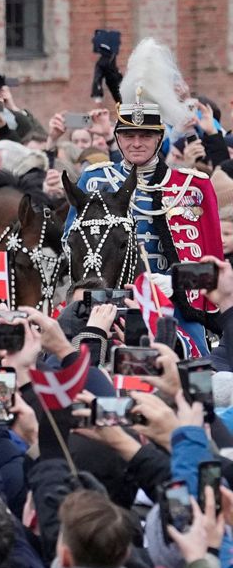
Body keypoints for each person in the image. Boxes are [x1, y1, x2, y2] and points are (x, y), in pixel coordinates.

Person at [64, 38, 223, 344]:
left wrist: (173, 283)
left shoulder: (194, 186)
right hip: (103, 303)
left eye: (145, 136)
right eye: (129, 135)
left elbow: (213, 261)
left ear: (159, 137)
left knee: (201, 356)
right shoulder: (95, 180)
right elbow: (71, 240)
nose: (136, 143)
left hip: (173, 304)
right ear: (117, 137)